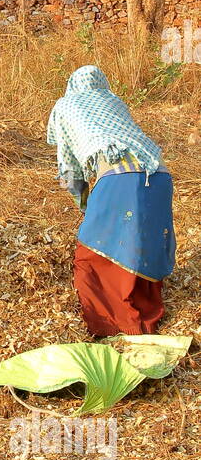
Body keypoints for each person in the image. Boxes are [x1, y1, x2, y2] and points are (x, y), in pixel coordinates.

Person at [46, 66, 176, 336]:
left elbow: (69, 168)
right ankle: (145, 316)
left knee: (93, 254)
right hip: (160, 177)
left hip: (120, 180)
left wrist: (84, 204)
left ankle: (113, 326)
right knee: (143, 244)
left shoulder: (65, 105)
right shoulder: (114, 100)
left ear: (72, 84)